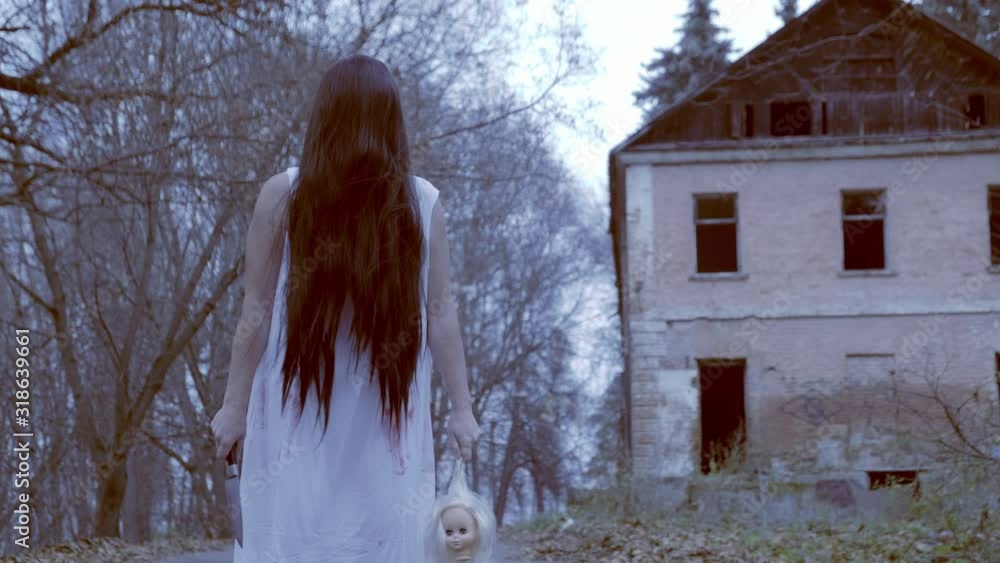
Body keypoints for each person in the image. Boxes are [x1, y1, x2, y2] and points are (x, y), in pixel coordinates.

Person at [210, 54, 481, 562]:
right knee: (335, 537)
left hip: (374, 415)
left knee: (330, 539)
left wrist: (464, 409)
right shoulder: (288, 197)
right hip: (311, 406)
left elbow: (440, 311)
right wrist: (233, 405)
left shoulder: (418, 204)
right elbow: (259, 306)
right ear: (392, 122)